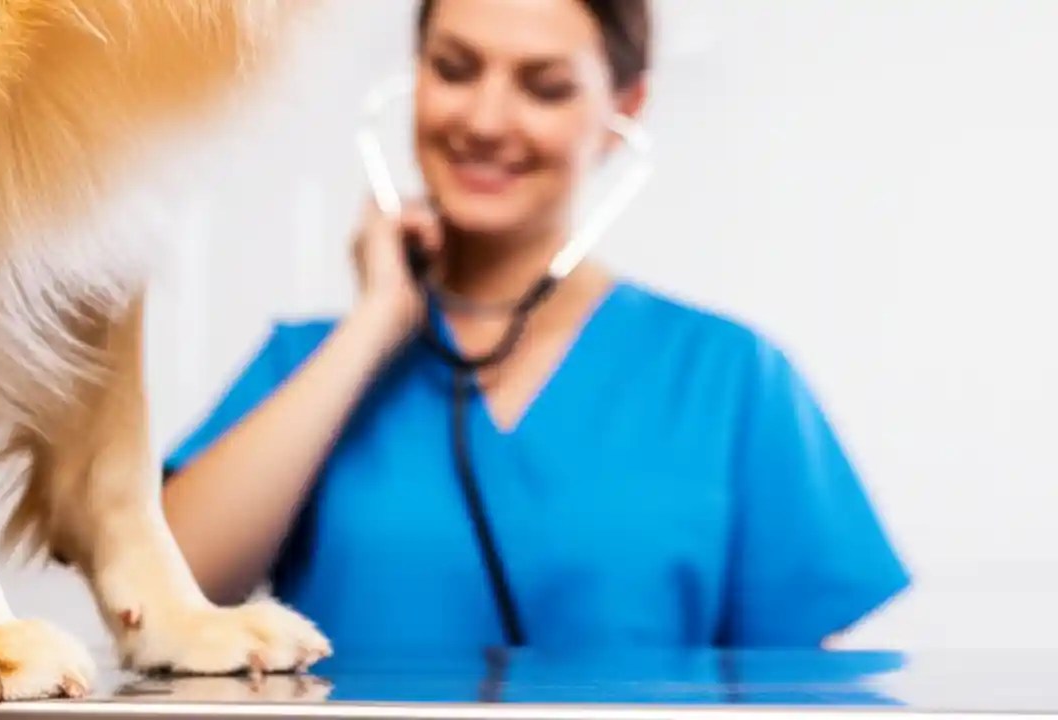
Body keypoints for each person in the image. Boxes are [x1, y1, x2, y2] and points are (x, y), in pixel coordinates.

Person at [161, 0, 910, 655]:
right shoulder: (307, 363)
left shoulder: (730, 376)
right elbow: (166, 594)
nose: (485, 120)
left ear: (626, 110)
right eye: (454, 69)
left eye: (544, 87)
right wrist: (374, 325)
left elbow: (803, 691)